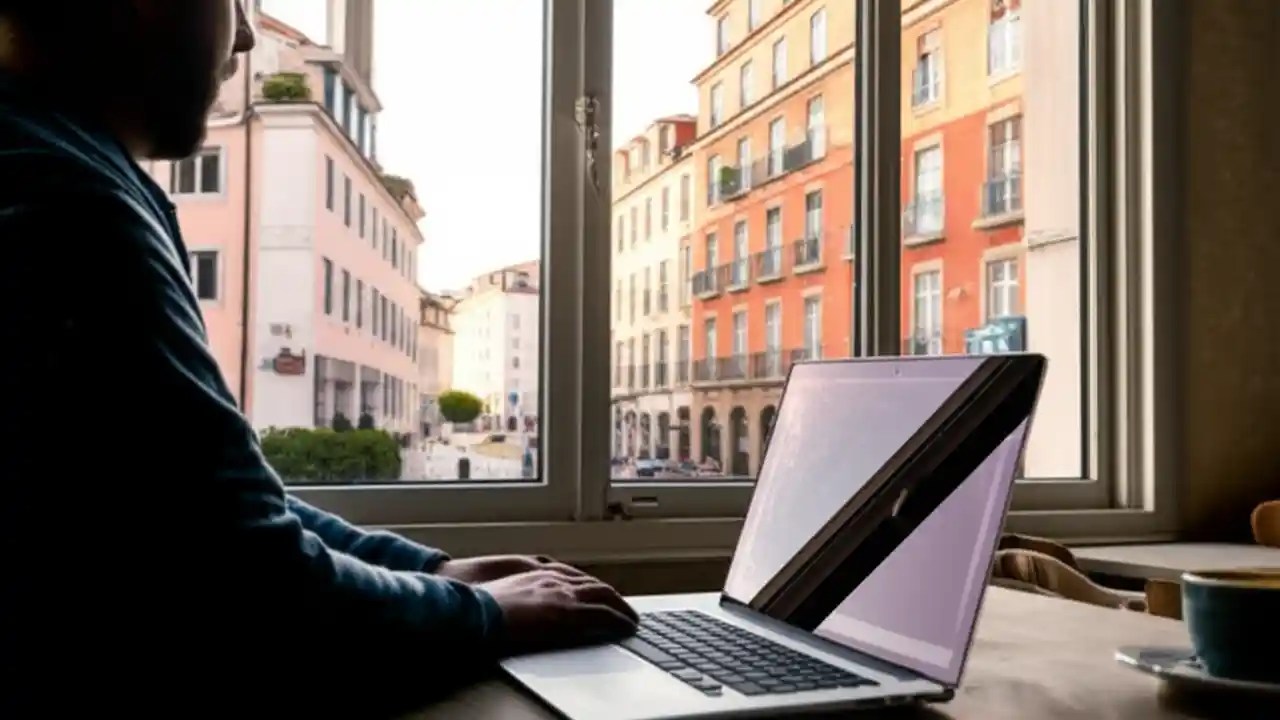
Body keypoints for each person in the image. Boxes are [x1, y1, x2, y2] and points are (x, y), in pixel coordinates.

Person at [0, 1, 636, 715]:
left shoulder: (57, 163)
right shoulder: (66, 204)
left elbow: (213, 501)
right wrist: (481, 612)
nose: (243, 34)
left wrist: (432, 568)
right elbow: (250, 575)